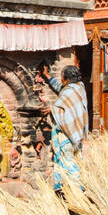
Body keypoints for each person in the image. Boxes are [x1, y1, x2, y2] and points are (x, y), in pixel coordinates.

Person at [39, 63, 88, 191]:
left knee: (68, 161)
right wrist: (46, 75)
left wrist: (52, 109)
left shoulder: (70, 92)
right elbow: (60, 88)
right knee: (68, 160)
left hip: (68, 135)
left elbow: (64, 112)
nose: (61, 80)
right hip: (76, 134)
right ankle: (65, 189)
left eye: (62, 78)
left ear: (67, 79)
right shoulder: (78, 88)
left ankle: (76, 191)